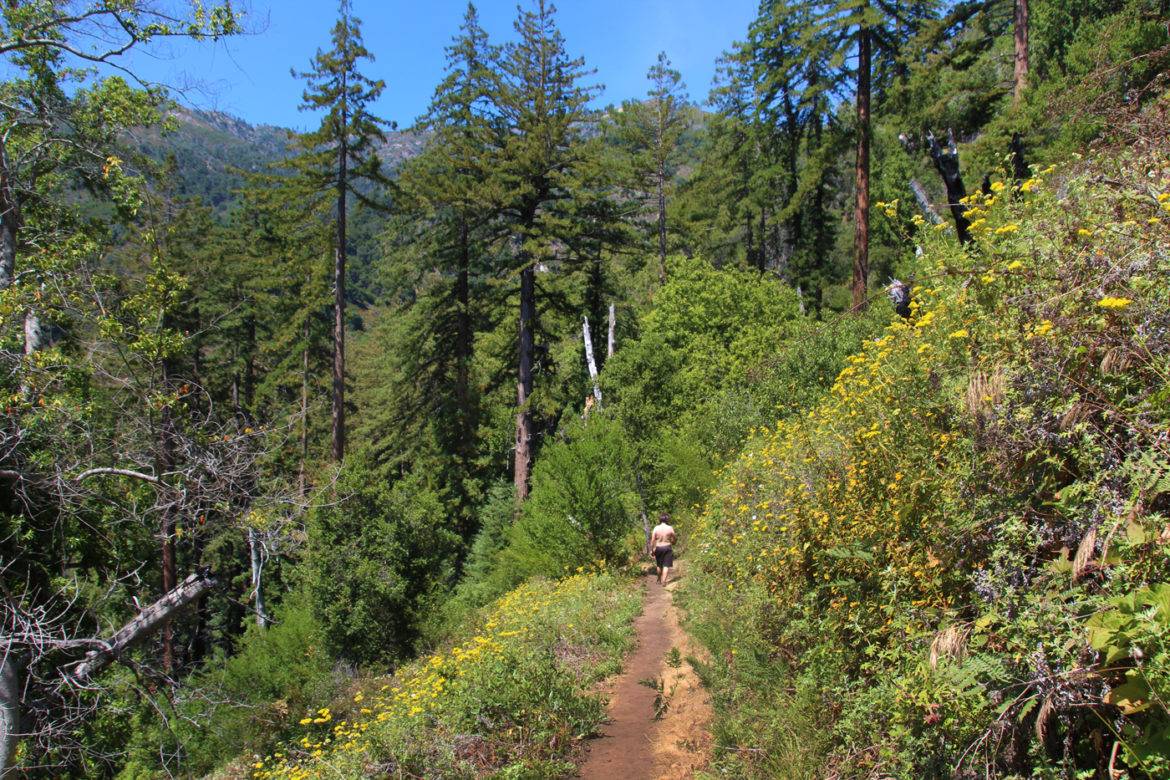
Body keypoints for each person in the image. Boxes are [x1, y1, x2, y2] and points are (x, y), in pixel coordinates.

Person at [650, 513, 676, 586]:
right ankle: (664, 581)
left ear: (660, 519)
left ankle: (659, 580)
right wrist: (673, 542)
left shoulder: (656, 528)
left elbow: (652, 540)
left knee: (659, 565)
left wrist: (652, 550)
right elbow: (674, 537)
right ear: (667, 519)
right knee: (666, 565)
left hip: (658, 547)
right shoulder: (670, 528)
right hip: (667, 547)